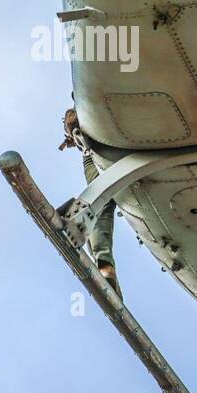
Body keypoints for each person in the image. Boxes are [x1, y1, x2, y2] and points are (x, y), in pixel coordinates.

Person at [59, 107, 120, 297]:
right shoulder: (78, 118)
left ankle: (105, 268)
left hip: (99, 151)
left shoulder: (86, 110)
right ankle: (105, 270)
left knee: (101, 202)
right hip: (92, 155)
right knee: (101, 201)